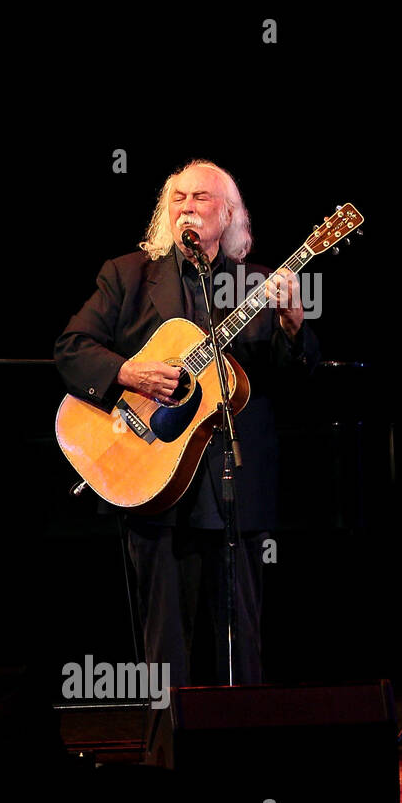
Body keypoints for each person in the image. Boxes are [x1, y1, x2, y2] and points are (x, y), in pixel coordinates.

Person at [54, 160, 320, 686]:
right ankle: (166, 764)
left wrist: (294, 324)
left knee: (240, 648)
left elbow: (298, 379)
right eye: (177, 199)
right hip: (151, 488)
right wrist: (128, 371)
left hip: (234, 494)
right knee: (164, 658)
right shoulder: (127, 275)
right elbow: (71, 348)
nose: (187, 208)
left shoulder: (258, 286)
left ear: (228, 215)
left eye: (200, 198)